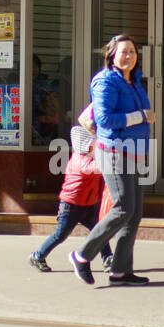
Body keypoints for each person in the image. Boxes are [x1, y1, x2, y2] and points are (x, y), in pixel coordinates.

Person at [69, 34, 155, 287]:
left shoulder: (134, 81)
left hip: (135, 152)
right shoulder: (105, 81)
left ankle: (120, 271)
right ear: (112, 55)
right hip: (114, 152)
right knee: (123, 208)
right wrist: (140, 116)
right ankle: (82, 254)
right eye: (123, 51)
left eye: (132, 51)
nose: (128, 55)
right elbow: (105, 119)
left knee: (134, 213)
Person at [28, 116, 113, 273]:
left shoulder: (85, 157)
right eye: (95, 144)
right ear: (88, 147)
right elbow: (100, 168)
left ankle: (108, 258)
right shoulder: (83, 162)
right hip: (71, 206)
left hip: (87, 205)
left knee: (100, 231)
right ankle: (38, 255)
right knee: (60, 235)